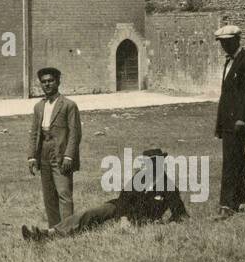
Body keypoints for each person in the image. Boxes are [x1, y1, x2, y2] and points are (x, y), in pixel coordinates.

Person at [22, 148, 188, 240]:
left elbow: (180, 214)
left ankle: (53, 236)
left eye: (155, 164)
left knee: (96, 230)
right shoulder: (139, 177)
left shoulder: (168, 187)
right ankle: (48, 233)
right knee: (90, 214)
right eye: (147, 164)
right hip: (118, 208)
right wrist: (123, 218)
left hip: (139, 220)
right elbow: (124, 199)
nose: (150, 168)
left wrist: (166, 224)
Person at [214, 25, 245, 217]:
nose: (225, 46)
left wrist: (242, 118)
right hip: (228, 121)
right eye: (222, 43)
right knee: (237, 158)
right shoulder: (229, 62)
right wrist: (219, 125)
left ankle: (227, 205)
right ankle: (244, 199)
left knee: (231, 160)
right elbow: (226, 97)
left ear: (237, 40)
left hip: (240, 122)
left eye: (228, 42)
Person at [28, 67, 82, 228]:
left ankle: (67, 229)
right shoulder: (39, 106)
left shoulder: (68, 105)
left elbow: (75, 133)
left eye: (50, 81)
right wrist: (31, 156)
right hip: (43, 151)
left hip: (60, 152)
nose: (47, 84)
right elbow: (34, 133)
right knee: (48, 194)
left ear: (58, 81)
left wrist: (69, 156)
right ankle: (54, 228)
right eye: (44, 82)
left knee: (63, 192)